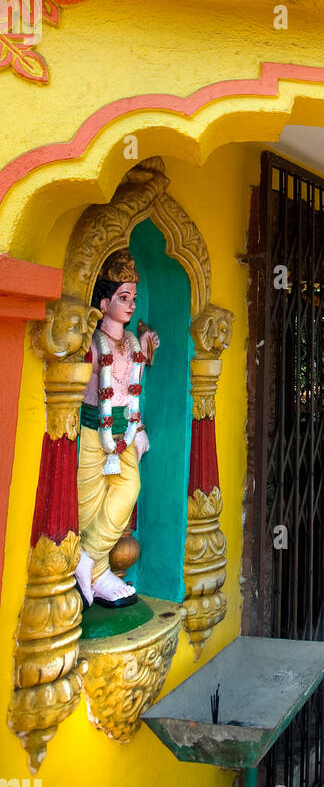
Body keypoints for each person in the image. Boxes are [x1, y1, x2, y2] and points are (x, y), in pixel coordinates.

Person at [75, 248, 160, 608]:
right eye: (123, 298)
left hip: (125, 431)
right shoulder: (95, 343)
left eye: (133, 299)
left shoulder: (128, 342)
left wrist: (145, 348)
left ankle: (88, 562)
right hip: (95, 430)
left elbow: (133, 381)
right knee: (87, 504)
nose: (129, 305)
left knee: (130, 488)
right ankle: (93, 572)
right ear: (105, 301)